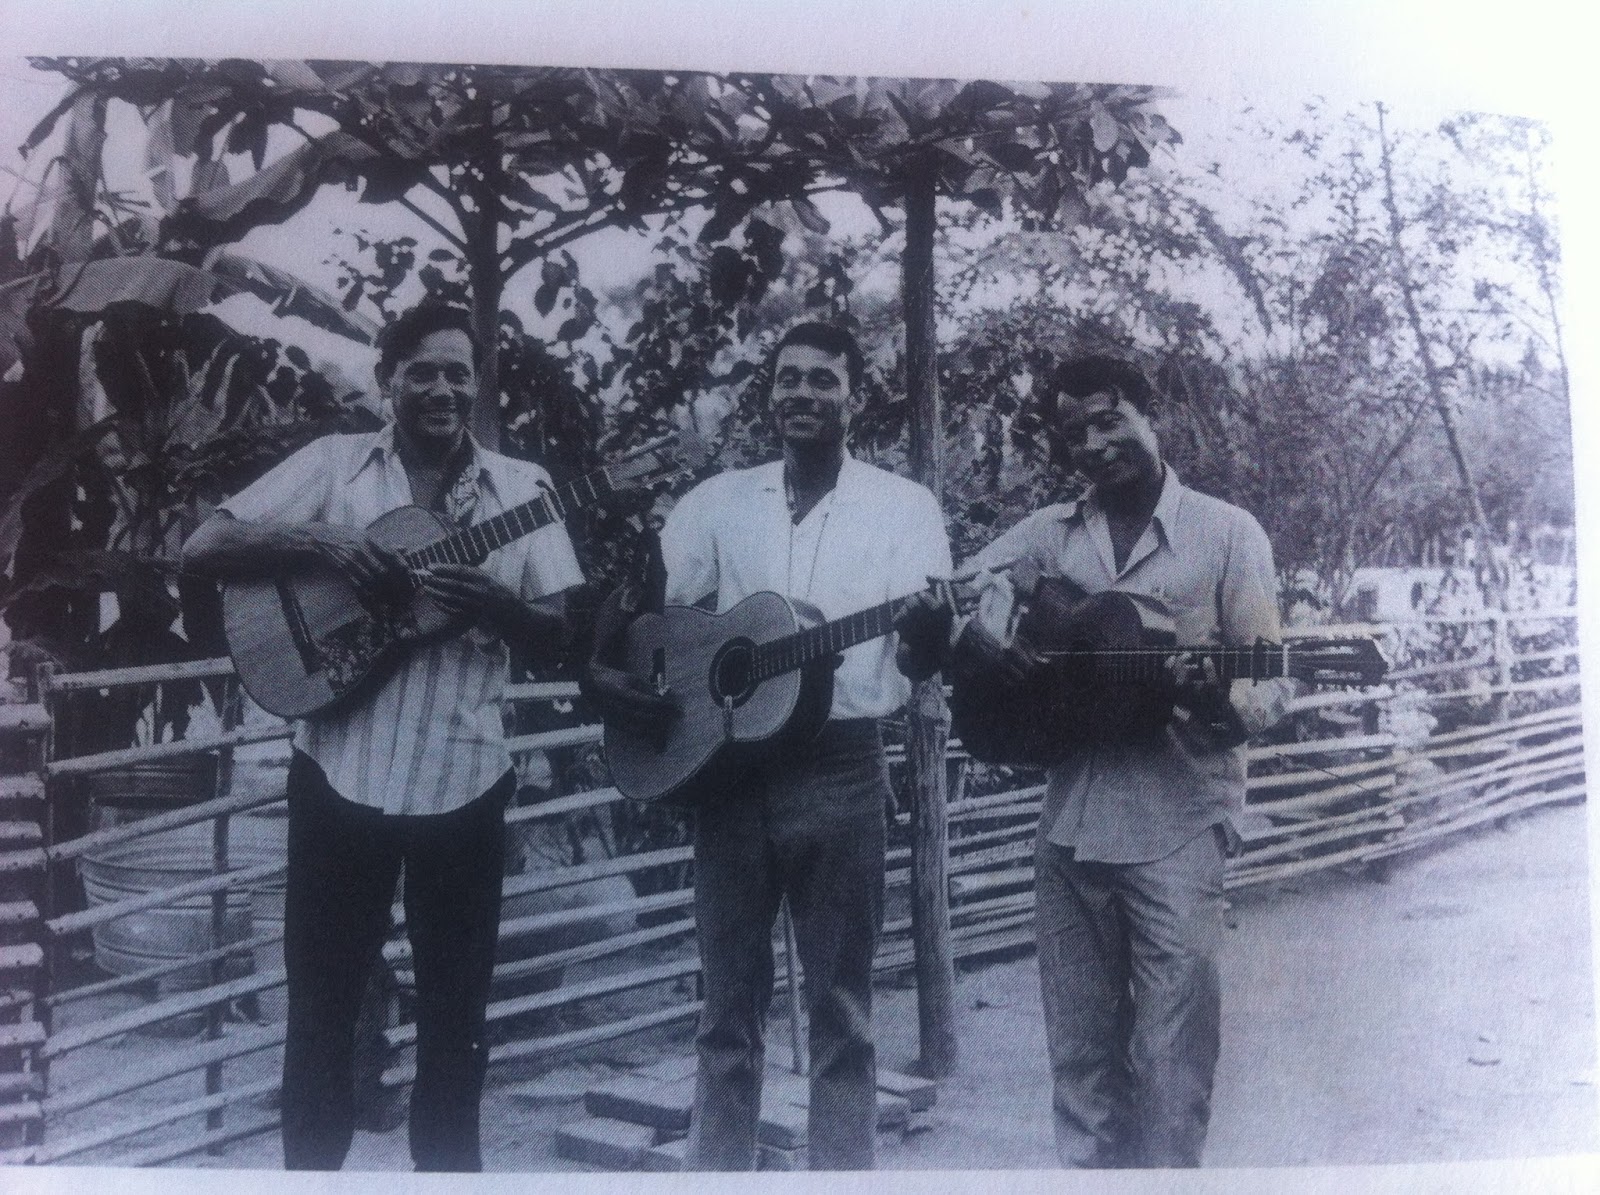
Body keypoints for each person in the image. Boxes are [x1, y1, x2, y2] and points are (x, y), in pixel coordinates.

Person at [182, 301, 583, 1172]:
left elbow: (559, 632)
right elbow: (203, 546)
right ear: (387, 380)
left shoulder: (525, 490)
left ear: (478, 386)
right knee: (322, 1015)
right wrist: (322, 540)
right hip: (339, 779)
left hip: (465, 785)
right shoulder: (333, 467)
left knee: (455, 1026)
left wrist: (505, 608)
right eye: (423, 371)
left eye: (459, 372)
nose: (442, 388)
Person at [584, 322, 954, 1170]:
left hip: (843, 766)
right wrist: (609, 666)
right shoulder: (718, 500)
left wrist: (933, 630)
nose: (801, 394)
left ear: (855, 395)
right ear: (769, 391)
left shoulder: (905, 509)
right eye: (787, 378)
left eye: (822, 380)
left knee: (843, 1013)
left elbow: (920, 655)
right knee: (726, 1012)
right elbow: (654, 612)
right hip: (731, 773)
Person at [956, 355, 1292, 1168]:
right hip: (1069, 832)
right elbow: (966, 590)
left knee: (1173, 1074)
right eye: (1076, 432)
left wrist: (1215, 695)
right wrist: (996, 640)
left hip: (1177, 826)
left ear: (1151, 415)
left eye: (1110, 420)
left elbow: (1268, 681)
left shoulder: (1227, 532)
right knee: (1080, 1074)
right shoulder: (1047, 535)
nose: (1096, 444)